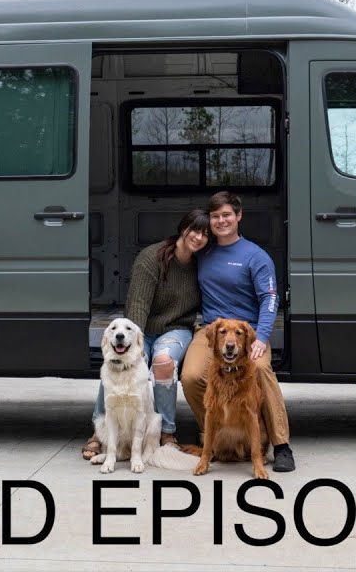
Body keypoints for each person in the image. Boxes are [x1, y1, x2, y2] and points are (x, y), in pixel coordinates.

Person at [180, 190, 296, 473]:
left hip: (248, 332)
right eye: (216, 216)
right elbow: (179, 252)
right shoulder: (203, 250)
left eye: (227, 215)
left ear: (238, 216)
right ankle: (219, 438)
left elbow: (270, 298)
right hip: (212, 331)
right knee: (192, 376)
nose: (221, 221)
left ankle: (281, 445)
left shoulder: (256, 256)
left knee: (260, 370)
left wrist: (263, 336)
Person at [81, 209, 211, 460]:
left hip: (176, 329)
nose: (198, 237)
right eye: (194, 229)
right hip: (140, 330)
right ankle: (100, 432)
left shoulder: (202, 264)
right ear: (182, 228)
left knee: (163, 361)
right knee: (117, 362)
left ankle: (167, 433)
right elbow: (137, 305)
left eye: (205, 234)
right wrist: (133, 347)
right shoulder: (152, 257)